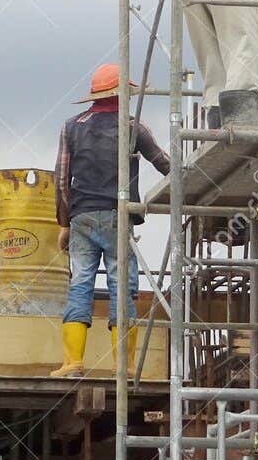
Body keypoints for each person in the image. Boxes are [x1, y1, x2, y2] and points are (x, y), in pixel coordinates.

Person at [50, 63, 171, 378]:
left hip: (83, 217)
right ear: (122, 93)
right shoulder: (134, 127)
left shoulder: (71, 126)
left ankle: (73, 362)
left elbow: (62, 180)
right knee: (122, 287)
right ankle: (125, 366)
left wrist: (65, 223)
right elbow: (164, 164)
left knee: (80, 284)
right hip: (119, 216)